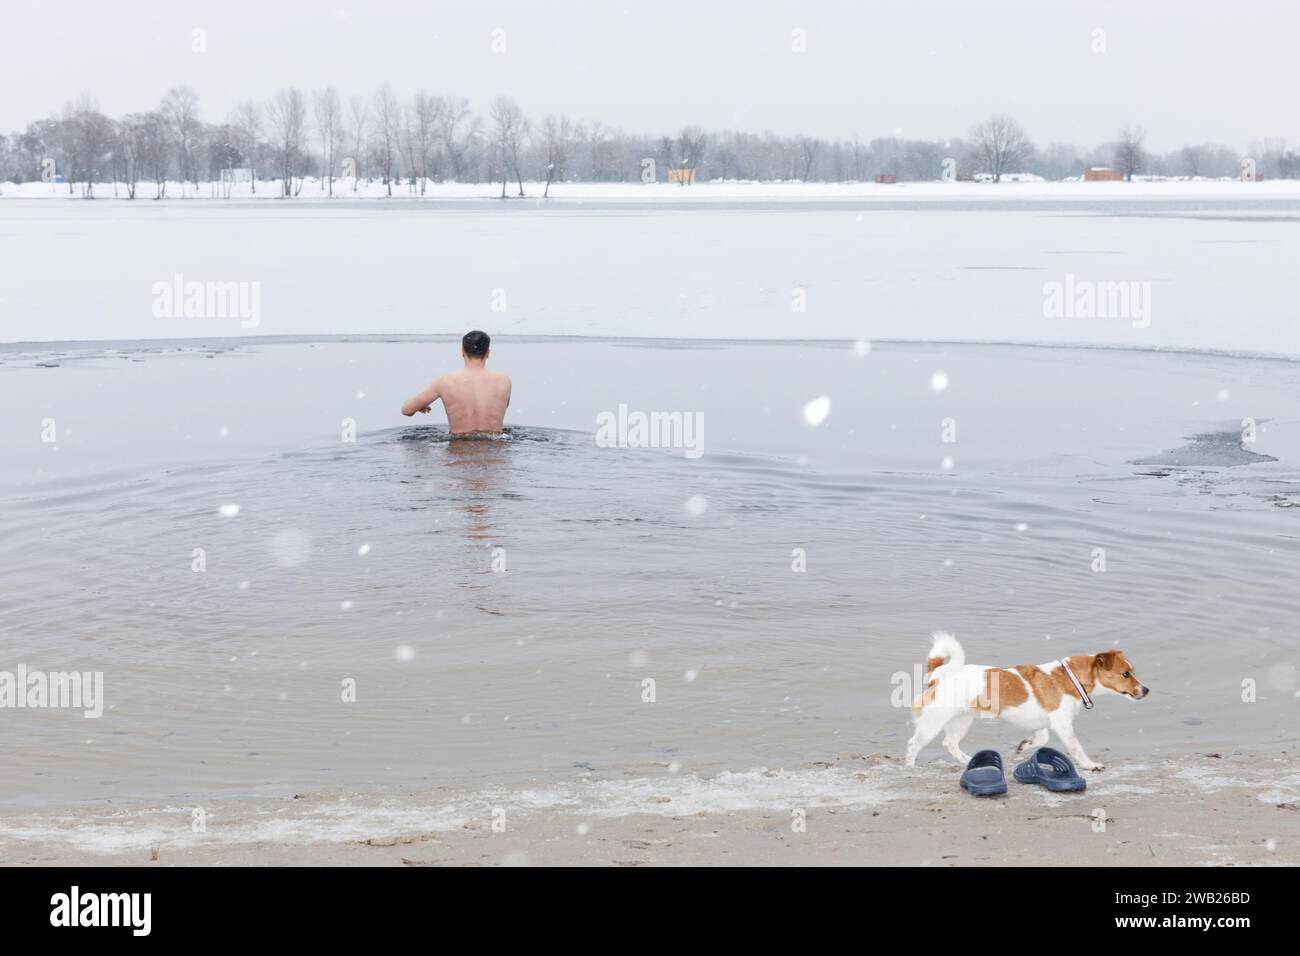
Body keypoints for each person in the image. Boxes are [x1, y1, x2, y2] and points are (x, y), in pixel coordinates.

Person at [400, 330, 511, 434]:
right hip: (494, 449)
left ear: (462, 351)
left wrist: (419, 406)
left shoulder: (445, 382)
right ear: (488, 353)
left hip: (459, 449)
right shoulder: (504, 381)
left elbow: (406, 410)